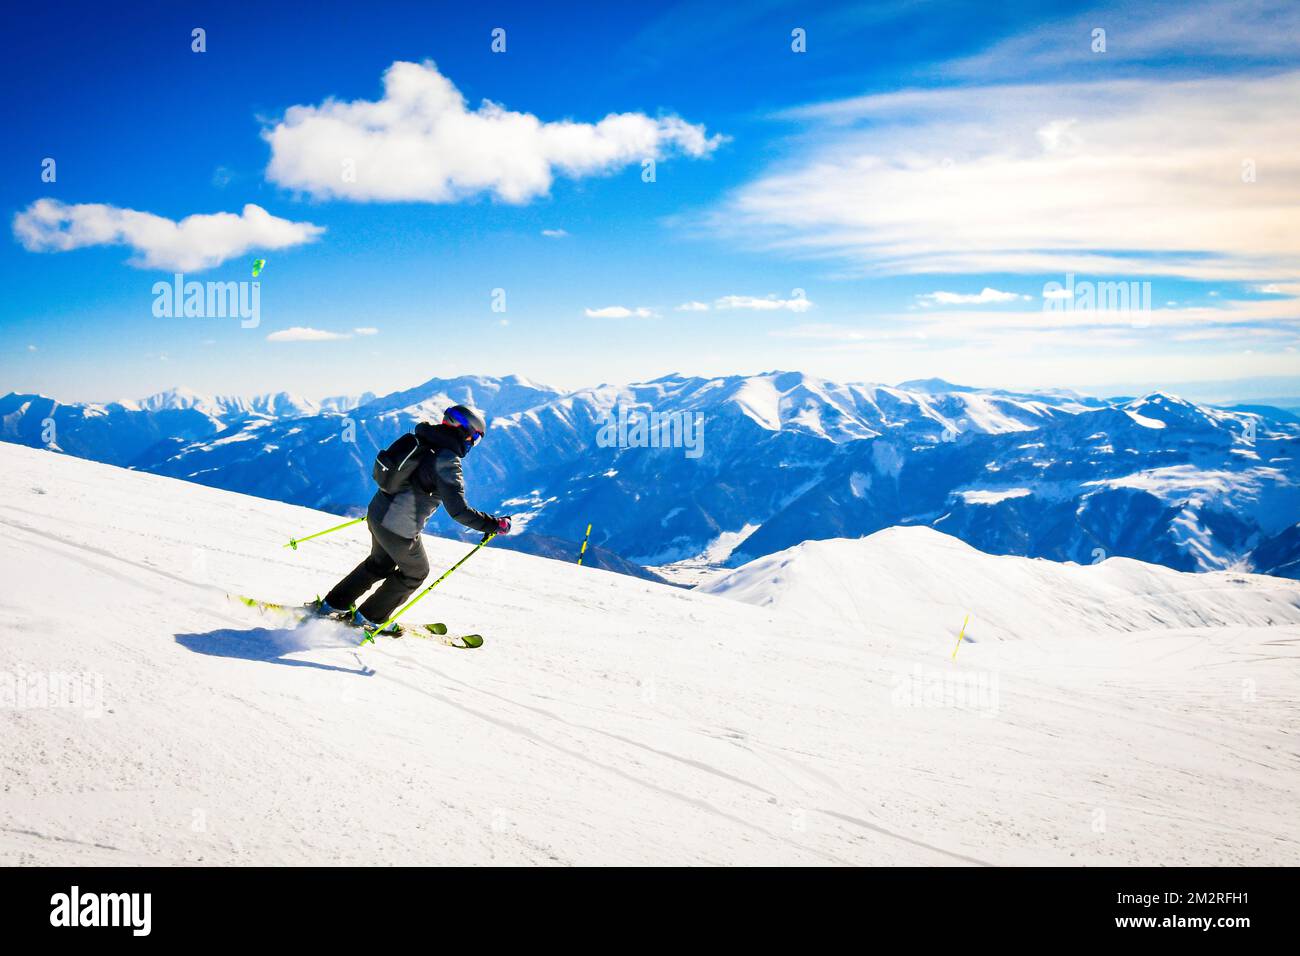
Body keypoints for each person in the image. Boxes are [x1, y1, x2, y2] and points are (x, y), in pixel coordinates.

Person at [314, 404, 511, 633]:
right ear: (467, 433)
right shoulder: (447, 460)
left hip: (377, 513)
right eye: (476, 437)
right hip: (398, 527)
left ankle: (334, 604)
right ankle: (370, 618)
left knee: (380, 564)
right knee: (416, 572)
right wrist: (494, 524)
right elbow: (458, 511)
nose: (473, 443)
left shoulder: (421, 439)